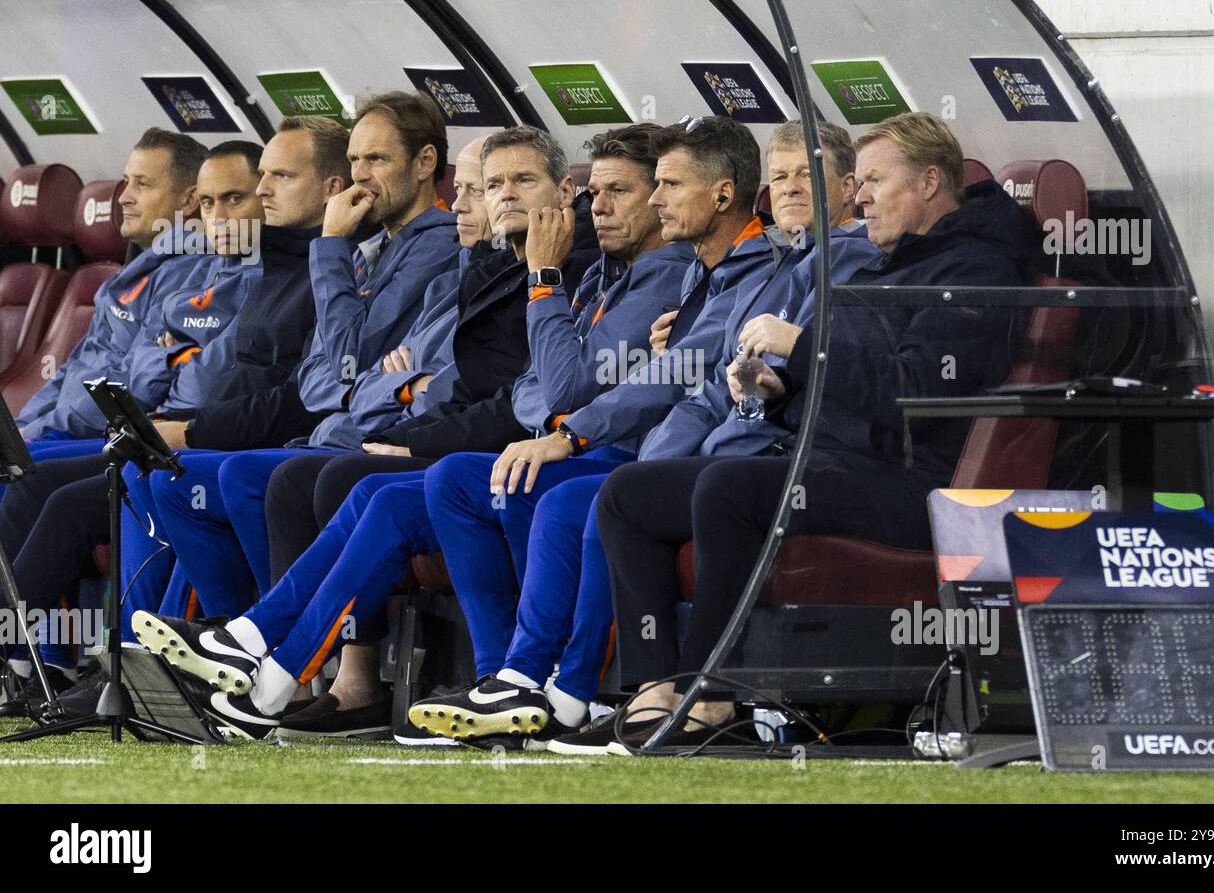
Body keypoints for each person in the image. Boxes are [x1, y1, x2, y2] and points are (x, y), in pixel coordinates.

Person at [566, 112, 1037, 754]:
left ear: (930, 182)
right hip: (840, 462)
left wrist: (804, 346)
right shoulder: (890, 261)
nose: (859, 193)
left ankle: (714, 693)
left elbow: (920, 390)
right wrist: (778, 389)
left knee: (729, 488)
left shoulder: (974, 270)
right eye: (859, 181)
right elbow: (850, 382)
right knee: (628, 494)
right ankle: (656, 688)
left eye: (873, 180)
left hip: (910, 482)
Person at [130, 125, 600, 740]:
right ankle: (257, 656)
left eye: (515, 182)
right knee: (197, 473)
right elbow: (345, 372)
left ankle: (284, 662)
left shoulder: (554, 267)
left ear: (565, 191)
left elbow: (538, 394)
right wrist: (401, 392)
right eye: (488, 185)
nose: (486, 199)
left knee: (348, 480)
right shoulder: (483, 264)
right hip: (435, 434)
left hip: (531, 451)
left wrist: (413, 423)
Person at [413, 119, 875, 743]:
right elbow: (539, 385)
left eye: (658, 186)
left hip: (711, 455)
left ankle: (567, 687)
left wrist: (571, 425)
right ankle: (511, 675)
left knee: (579, 495)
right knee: (449, 481)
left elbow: (602, 389)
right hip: (657, 448)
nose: (646, 203)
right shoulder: (670, 274)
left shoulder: (754, 266)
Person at [0, 134, 340, 711]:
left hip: (220, 436)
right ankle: (55, 661)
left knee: (124, 477)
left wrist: (183, 414)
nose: (227, 212)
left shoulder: (276, 270)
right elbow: (109, 370)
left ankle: (127, 662)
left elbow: (207, 383)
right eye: (212, 202)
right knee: (36, 467)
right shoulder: (205, 269)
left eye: (240, 196)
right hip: (173, 430)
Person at [136, 92, 463, 617]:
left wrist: (331, 243)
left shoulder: (433, 245)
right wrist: (351, 374)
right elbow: (323, 376)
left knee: (240, 476)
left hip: (368, 440)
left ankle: (264, 644)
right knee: (171, 481)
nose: (361, 175)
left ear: (425, 163)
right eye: (356, 159)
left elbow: (344, 362)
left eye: (375, 160)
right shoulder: (366, 247)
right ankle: (228, 633)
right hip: (325, 430)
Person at [17, 128, 208, 452]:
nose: (123, 196)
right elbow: (74, 367)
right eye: (127, 180)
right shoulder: (141, 268)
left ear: (189, 200)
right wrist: (25, 428)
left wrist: (37, 436)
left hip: (104, 437)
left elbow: (132, 382)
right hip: (60, 433)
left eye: (142, 184)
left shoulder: (188, 273)